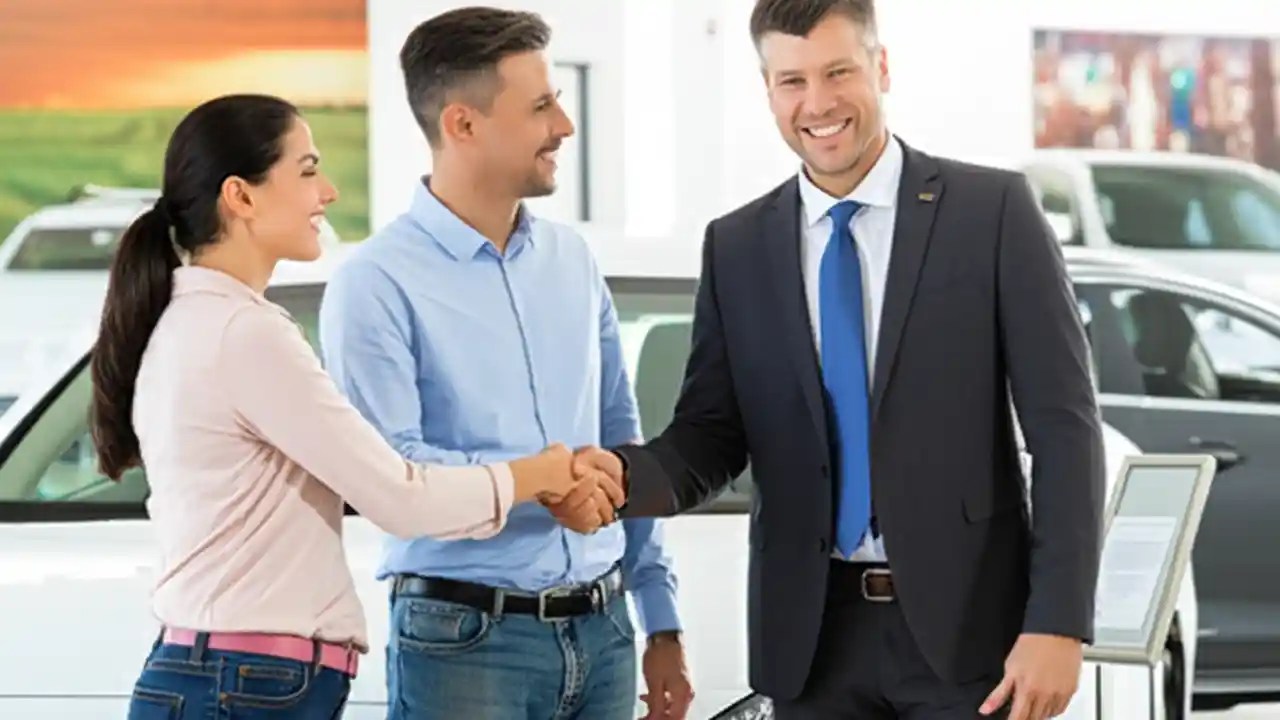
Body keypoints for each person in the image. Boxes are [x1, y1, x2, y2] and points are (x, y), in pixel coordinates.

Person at [580, 1, 1106, 718]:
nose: (818, 103)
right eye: (791, 81)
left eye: (838, 72)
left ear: (881, 67)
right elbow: (712, 433)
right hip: (812, 643)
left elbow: (1065, 430)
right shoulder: (737, 247)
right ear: (767, 89)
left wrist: (1059, 622)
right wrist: (624, 477)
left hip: (972, 642)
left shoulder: (992, 213)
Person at [90, 93, 585, 720]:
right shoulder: (243, 334)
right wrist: (535, 476)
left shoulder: (197, 322)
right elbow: (399, 496)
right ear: (239, 196)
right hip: (244, 685)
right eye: (306, 170)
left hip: (231, 677)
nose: (328, 192)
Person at [317, 8, 693, 720]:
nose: (565, 128)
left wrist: (660, 616)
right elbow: (397, 472)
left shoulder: (572, 261)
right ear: (463, 124)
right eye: (542, 106)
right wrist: (543, 483)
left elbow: (624, 440)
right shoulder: (375, 284)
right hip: (467, 645)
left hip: (606, 630)